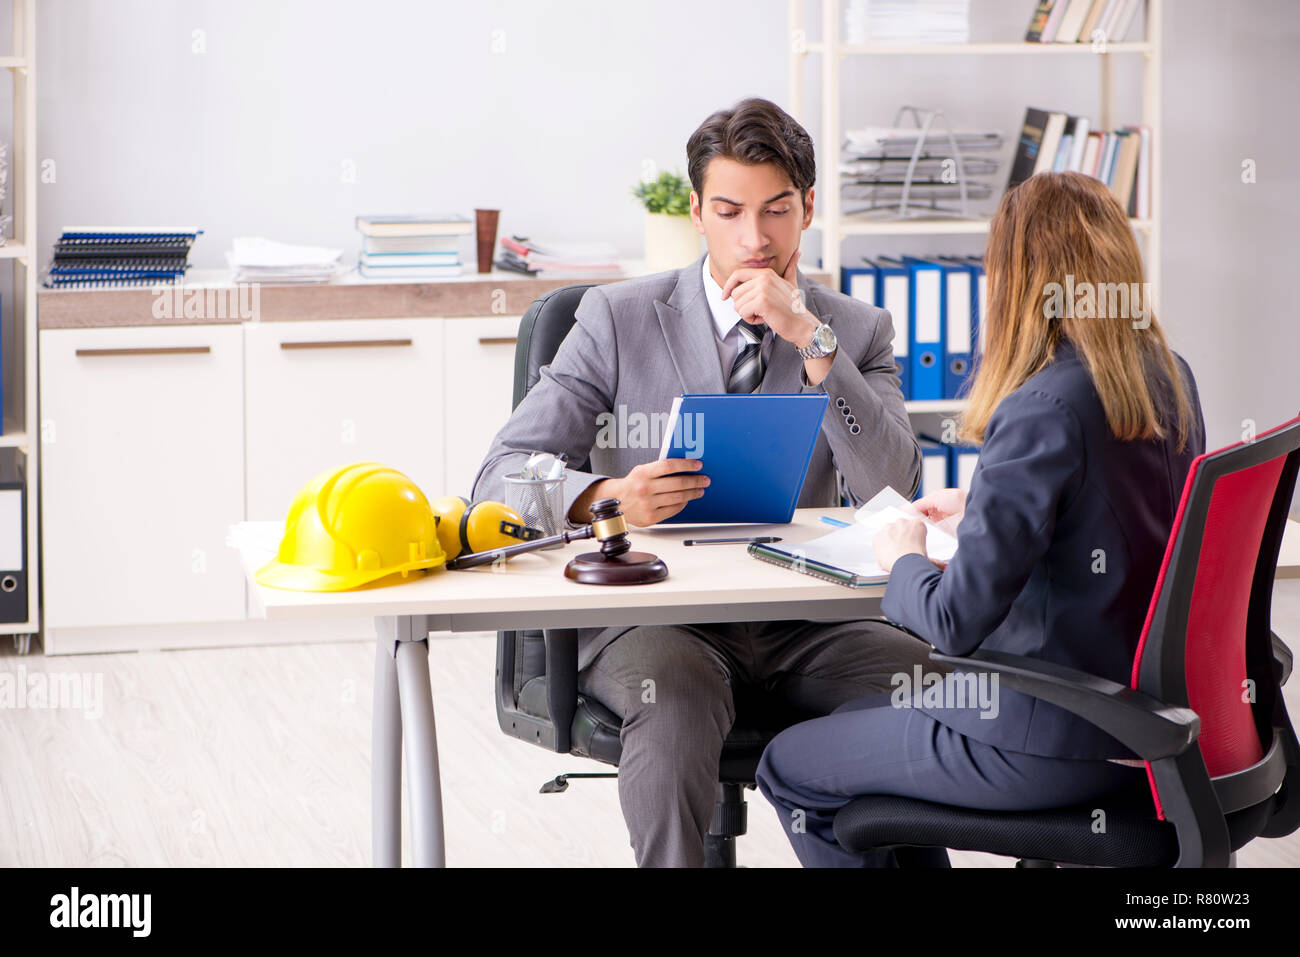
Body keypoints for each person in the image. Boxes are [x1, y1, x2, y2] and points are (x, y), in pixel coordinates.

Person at [473, 97, 934, 867]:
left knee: (932, 694)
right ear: (695, 211)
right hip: (662, 624)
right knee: (677, 707)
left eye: (777, 211)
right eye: (729, 212)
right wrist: (607, 496)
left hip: (808, 625)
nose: (755, 240)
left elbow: (892, 487)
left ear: (808, 207)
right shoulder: (616, 317)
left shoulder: (854, 329)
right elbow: (501, 476)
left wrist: (811, 340)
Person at [755, 170, 1207, 867]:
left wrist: (903, 554)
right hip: (1152, 726)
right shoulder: (1167, 374)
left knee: (790, 763)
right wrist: (986, 502)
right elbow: (1134, 508)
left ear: (1015, 279)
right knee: (849, 724)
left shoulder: (1041, 406)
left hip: (1049, 739)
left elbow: (953, 623)